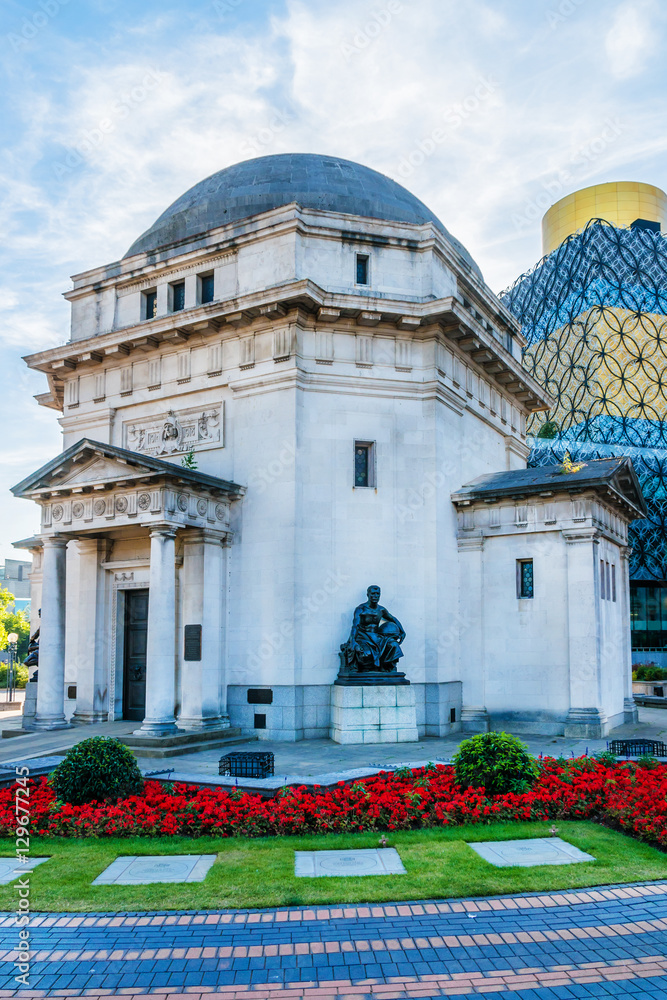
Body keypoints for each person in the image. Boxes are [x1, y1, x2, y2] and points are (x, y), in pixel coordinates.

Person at [341, 585, 405, 673]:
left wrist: (402, 631)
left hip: (377, 637)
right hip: (364, 637)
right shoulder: (361, 609)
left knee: (394, 645)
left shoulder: (381, 610)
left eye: (377, 594)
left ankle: (387, 667)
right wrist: (353, 641)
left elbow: (393, 618)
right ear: (368, 594)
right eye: (373, 593)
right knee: (366, 654)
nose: (375, 596)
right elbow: (355, 626)